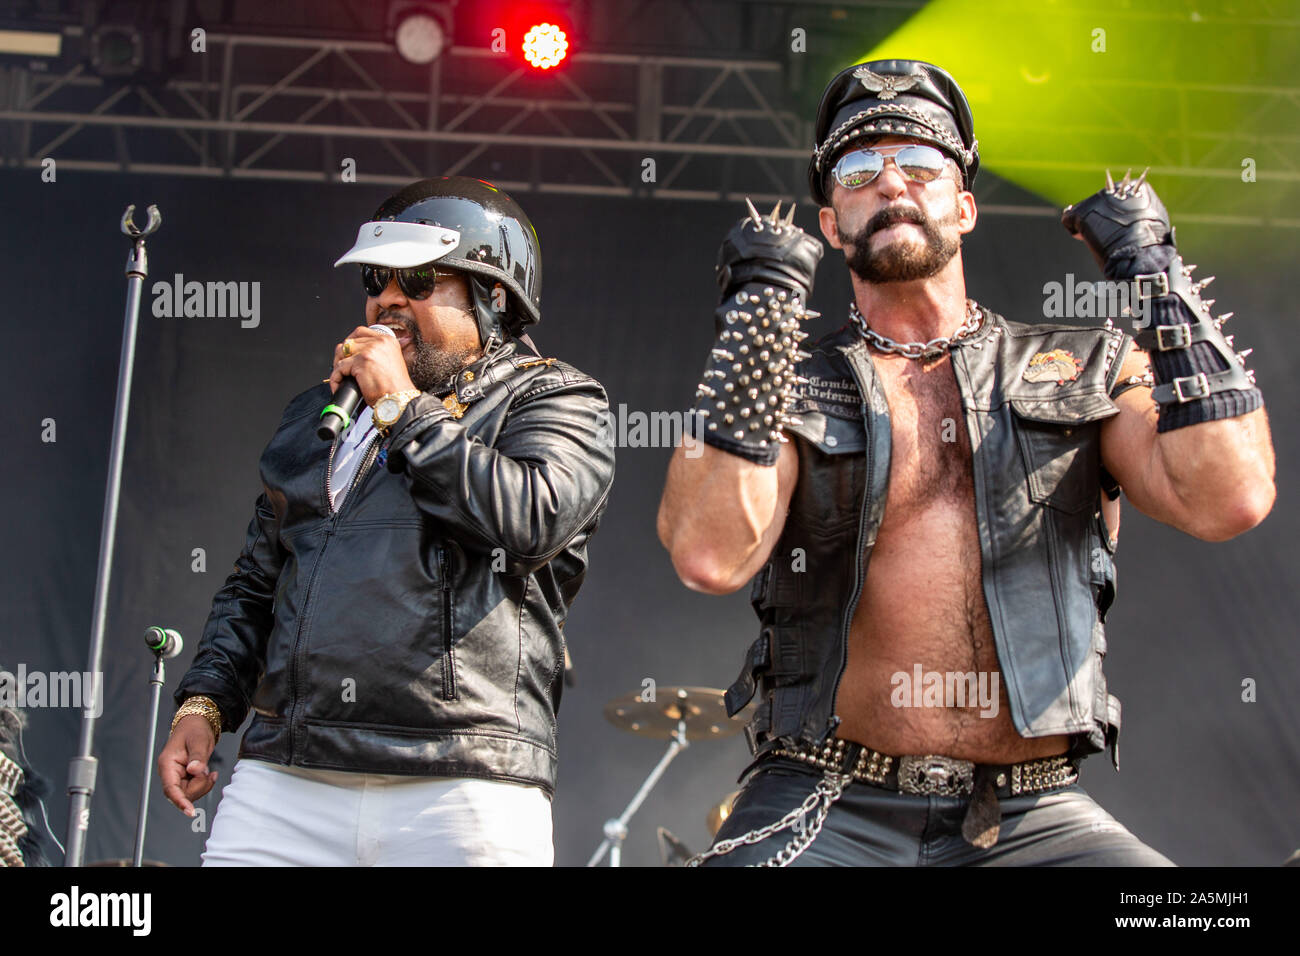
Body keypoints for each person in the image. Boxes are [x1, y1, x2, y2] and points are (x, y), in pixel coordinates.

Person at [657, 59, 1276, 866]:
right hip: (825, 795)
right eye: (857, 169)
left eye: (919, 164)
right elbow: (708, 555)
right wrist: (754, 328)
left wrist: (1155, 272)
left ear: (966, 205)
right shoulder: (795, 385)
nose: (890, 184)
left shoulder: (1084, 363)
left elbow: (1228, 496)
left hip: (1032, 810)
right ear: (831, 223)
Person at [159, 176, 615, 866]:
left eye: (419, 278)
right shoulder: (322, 413)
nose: (388, 298)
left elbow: (531, 520)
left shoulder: (553, 400)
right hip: (286, 774)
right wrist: (203, 704)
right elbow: (259, 580)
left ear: (495, 299)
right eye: (377, 278)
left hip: (463, 778)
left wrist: (404, 408)